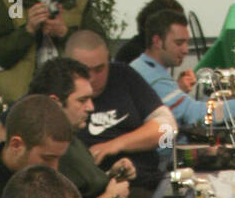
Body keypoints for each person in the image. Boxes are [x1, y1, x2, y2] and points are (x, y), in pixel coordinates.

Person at [28, 57, 152, 198]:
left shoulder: (72, 139)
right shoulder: (46, 153)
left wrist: (112, 174)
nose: (91, 107)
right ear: (55, 103)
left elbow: (84, 188)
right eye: (82, 100)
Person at [64, 30, 176, 188]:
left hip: (146, 179)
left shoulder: (123, 76)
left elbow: (167, 128)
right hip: (98, 188)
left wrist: (116, 145)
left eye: (100, 69)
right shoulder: (57, 91)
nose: (93, 78)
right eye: (84, 71)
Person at [130, 11, 235, 129]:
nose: (185, 50)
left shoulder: (143, 67)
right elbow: (196, 115)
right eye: (179, 43)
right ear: (157, 41)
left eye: (186, 42)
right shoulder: (154, 78)